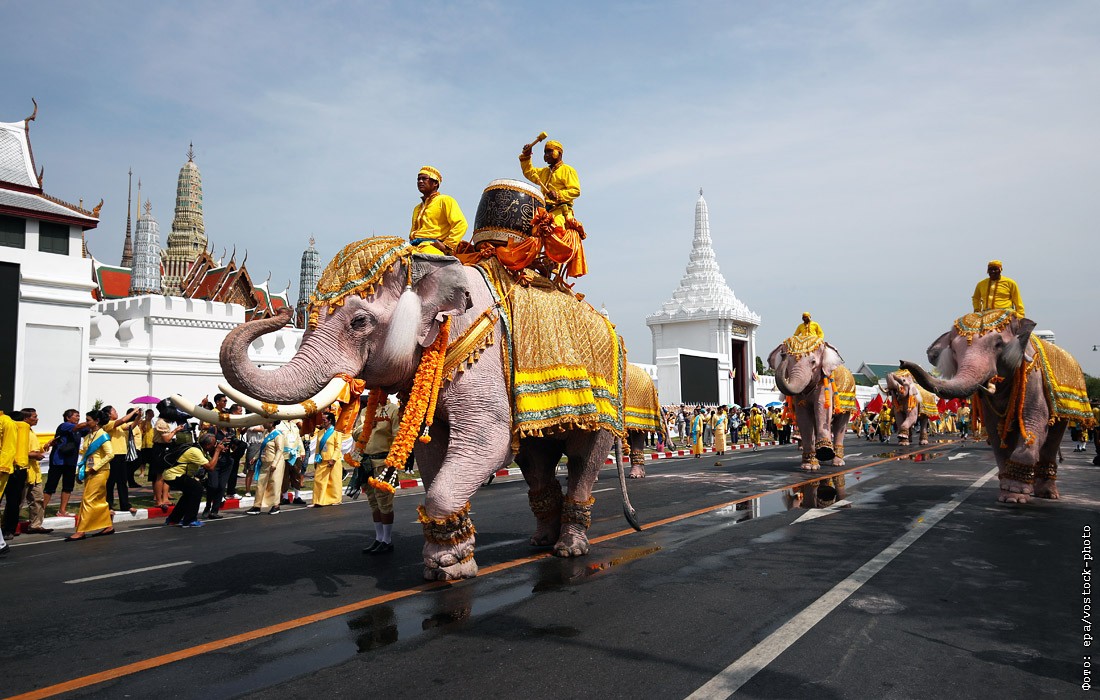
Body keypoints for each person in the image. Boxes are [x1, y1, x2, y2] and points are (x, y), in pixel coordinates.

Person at [360, 397, 401, 554]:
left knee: (384, 502)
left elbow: (398, 436)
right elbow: (356, 434)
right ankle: (379, 538)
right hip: (367, 462)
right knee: (373, 501)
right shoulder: (366, 411)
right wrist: (367, 426)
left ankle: (387, 540)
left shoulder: (393, 410)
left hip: (384, 463)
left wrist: (393, 462)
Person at [67, 409, 116, 541]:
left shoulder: (103, 435)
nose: (86, 422)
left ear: (97, 421)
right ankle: (108, 525)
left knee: (88, 500)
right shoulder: (89, 435)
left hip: (100, 471)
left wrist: (96, 467)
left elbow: (110, 454)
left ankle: (81, 530)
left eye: (88, 420)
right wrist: (79, 472)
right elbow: (85, 455)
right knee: (98, 499)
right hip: (89, 471)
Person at [164, 434, 225, 528]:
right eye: (214, 444)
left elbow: (211, 462)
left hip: (175, 475)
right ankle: (189, 520)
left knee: (189, 494)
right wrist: (217, 451)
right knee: (197, 488)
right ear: (208, 445)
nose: (215, 445)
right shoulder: (195, 451)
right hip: (174, 475)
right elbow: (210, 467)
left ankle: (173, 519)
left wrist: (219, 452)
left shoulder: (201, 450)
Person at [520, 139, 581, 227]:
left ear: (559, 153)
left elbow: (575, 191)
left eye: (549, 151)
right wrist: (526, 156)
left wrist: (558, 195)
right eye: (545, 152)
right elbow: (529, 172)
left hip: (561, 211)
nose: (546, 155)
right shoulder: (544, 172)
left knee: (555, 229)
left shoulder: (567, 170)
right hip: (544, 212)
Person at [409, 166, 467, 255]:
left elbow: (461, 224)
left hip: (431, 247)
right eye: (418, 179)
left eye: (424, 178)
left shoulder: (445, 200)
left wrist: (447, 245)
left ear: (435, 183)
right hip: (413, 246)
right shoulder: (417, 208)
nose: (420, 181)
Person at [43, 409, 87, 518]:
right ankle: (40, 511)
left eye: (79, 416)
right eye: (76, 416)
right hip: (58, 461)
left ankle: (62, 510)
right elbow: (79, 426)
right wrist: (91, 421)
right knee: (51, 486)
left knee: (68, 486)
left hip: (71, 461)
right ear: (68, 417)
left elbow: (90, 429)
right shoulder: (65, 426)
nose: (78, 418)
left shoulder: (79, 430)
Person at [15, 409, 50, 534]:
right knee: (18, 500)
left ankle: (35, 525)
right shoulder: (19, 431)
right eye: (34, 417)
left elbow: (35, 449)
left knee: (37, 499)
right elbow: (17, 451)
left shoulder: (31, 432)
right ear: (25, 418)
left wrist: (45, 446)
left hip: (34, 472)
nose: (37, 419)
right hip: (23, 470)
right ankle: (11, 526)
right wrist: (33, 455)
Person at [102, 405, 141, 516]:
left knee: (122, 481)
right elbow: (123, 420)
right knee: (110, 482)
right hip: (112, 455)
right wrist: (133, 411)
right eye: (114, 411)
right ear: (109, 414)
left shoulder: (119, 425)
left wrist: (138, 416)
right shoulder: (108, 424)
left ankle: (125, 504)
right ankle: (108, 505)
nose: (116, 412)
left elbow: (131, 426)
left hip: (122, 455)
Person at [246, 421, 286, 515]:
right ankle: (257, 506)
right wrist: (255, 457)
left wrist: (274, 464)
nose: (263, 423)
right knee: (260, 484)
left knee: (275, 484)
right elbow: (262, 448)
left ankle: (276, 506)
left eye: (265, 422)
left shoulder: (278, 434)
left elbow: (280, 450)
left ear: (271, 423)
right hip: (264, 462)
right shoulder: (265, 433)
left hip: (276, 463)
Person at [2, 410, 30, 537]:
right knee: (13, 501)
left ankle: (7, 528)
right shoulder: (23, 428)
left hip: (8, 466)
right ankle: (9, 529)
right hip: (18, 468)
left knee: (12, 501)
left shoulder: (9, 426)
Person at [312, 412, 344, 507]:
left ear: (330, 421)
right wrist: (315, 459)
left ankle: (335, 500)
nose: (322, 422)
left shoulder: (336, 432)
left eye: (324, 420)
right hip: (322, 460)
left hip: (333, 460)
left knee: (334, 481)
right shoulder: (320, 432)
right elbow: (318, 447)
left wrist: (333, 459)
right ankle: (318, 501)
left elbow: (338, 447)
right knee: (319, 481)